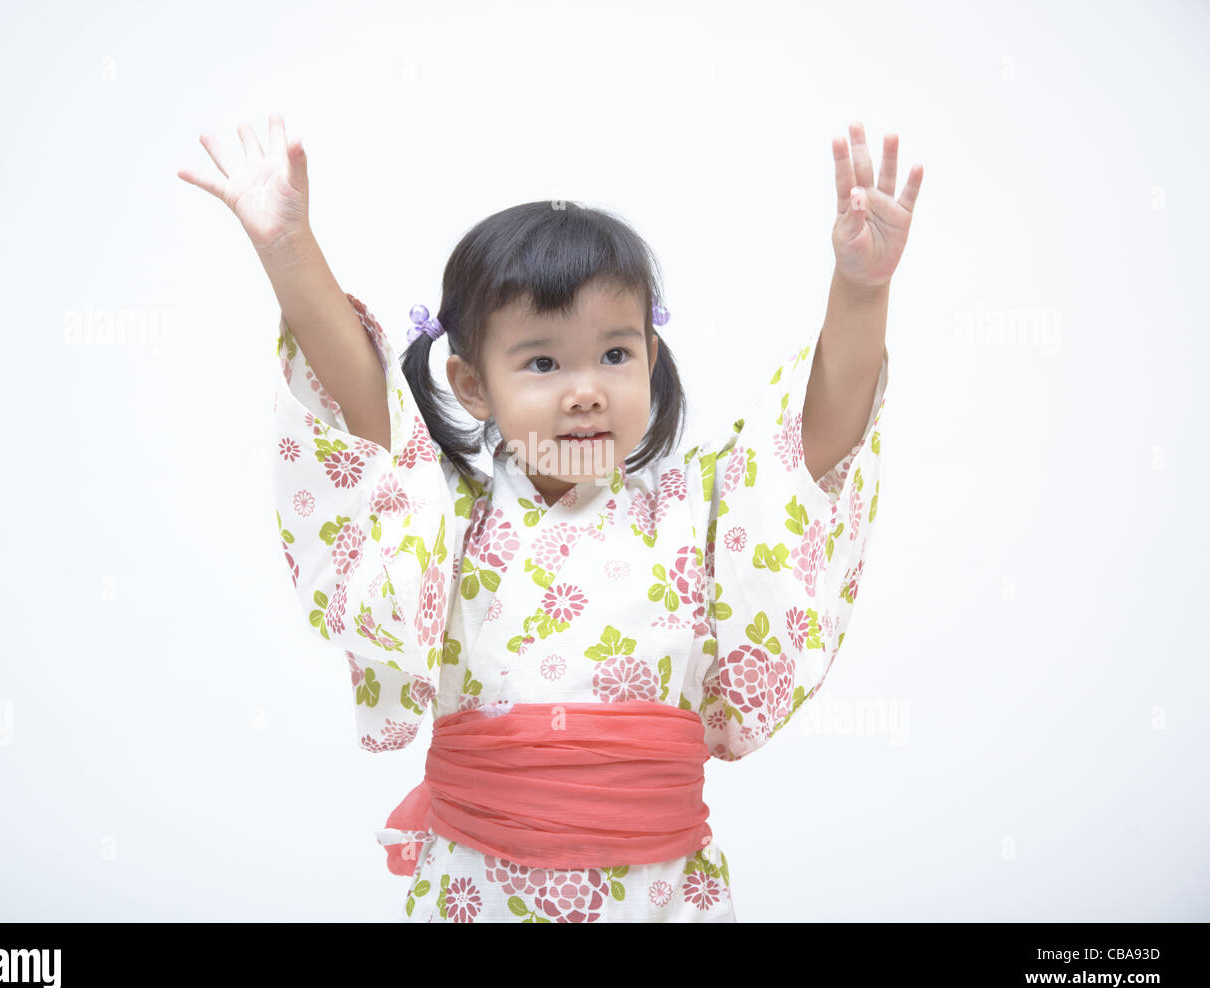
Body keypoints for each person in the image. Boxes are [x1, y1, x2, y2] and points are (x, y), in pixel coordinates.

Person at [178, 115, 921, 922]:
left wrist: (862, 287)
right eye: (542, 360)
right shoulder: (441, 515)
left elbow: (815, 447)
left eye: (614, 354)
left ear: (651, 359)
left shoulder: (699, 511)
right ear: (470, 383)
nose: (585, 389)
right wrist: (287, 245)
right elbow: (359, 400)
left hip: (658, 895)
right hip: (479, 888)